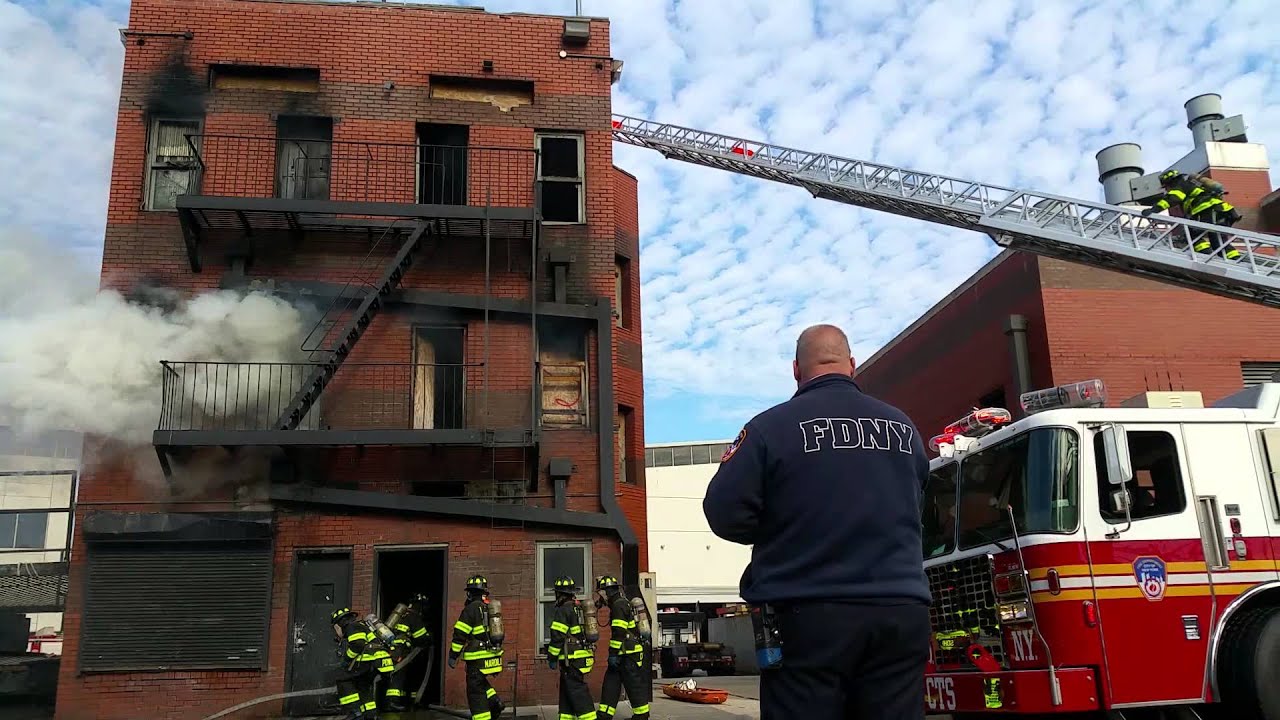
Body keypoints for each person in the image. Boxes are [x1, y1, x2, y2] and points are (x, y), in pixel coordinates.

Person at [703, 323, 932, 720]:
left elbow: (724, 513)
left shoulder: (769, 428)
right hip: (901, 610)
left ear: (795, 369)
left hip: (809, 614)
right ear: (853, 365)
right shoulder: (904, 429)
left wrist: (783, 527)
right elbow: (919, 505)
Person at [1142, 169, 1242, 261]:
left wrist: (1153, 210)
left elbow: (1172, 199)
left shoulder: (1179, 187)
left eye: (1166, 187)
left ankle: (1206, 255)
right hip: (1223, 211)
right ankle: (1234, 258)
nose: (1167, 190)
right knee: (1218, 241)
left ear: (1169, 183)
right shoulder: (1191, 185)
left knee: (1193, 234)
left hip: (1209, 210)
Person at [447, 575, 505, 720]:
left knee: (475, 693)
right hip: (493, 655)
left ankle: (482, 717)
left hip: (477, 658)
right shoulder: (488, 608)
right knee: (479, 682)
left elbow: (460, 634)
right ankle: (494, 701)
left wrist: (453, 655)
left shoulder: (470, 609)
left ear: (469, 593)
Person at [593, 575, 651, 720]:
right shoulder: (619, 603)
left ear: (607, 592)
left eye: (602, 593)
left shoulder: (619, 605)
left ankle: (642, 715)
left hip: (628, 654)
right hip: (623, 653)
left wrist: (612, 654)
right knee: (610, 684)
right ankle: (604, 714)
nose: (601, 598)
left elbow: (619, 632)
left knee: (633, 686)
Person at [546, 576, 598, 720]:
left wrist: (551, 657)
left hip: (572, 660)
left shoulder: (563, 610)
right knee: (567, 694)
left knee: (578, 692)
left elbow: (557, 636)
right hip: (580, 657)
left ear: (559, 594)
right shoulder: (577, 608)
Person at [331, 607, 383, 720]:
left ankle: (355, 712)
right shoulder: (359, 626)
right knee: (363, 687)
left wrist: (347, 658)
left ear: (339, 623)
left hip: (366, 662)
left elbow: (357, 645)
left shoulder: (352, 627)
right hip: (373, 663)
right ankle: (370, 715)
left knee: (342, 679)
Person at [384, 593, 433, 712]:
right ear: (420, 605)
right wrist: (429, 637)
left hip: (392, 649)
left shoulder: (403, 615)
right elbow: (421, 638)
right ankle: (392, 703)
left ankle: (402, 701)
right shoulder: (414, 616)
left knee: (400, 674)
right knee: (398, 675)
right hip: (401, 650)